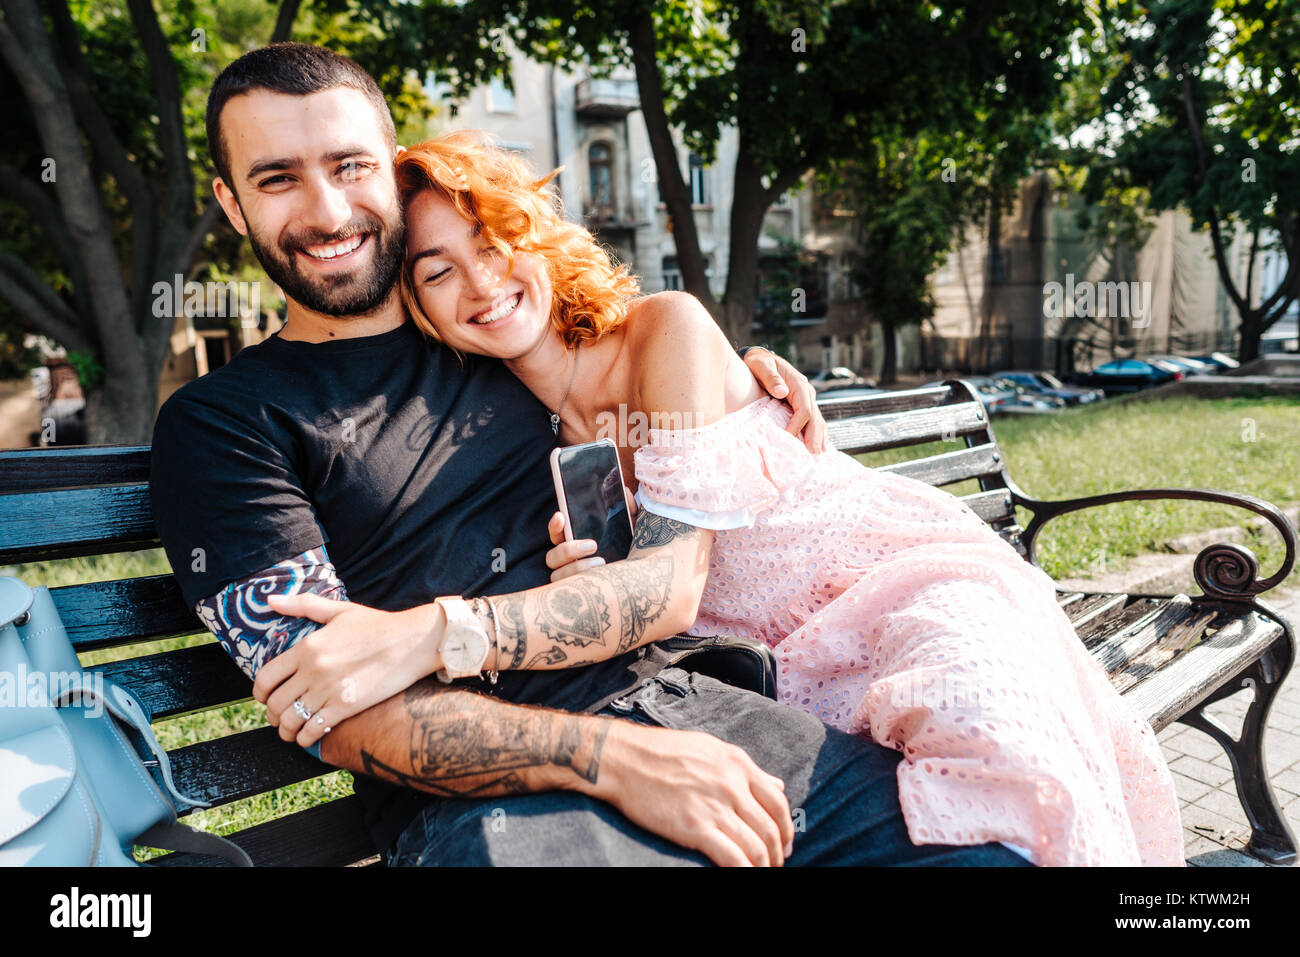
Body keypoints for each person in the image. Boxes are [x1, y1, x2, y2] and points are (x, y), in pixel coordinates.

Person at [150, 42, 1033, 867]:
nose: (328, 210)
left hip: (700, 709)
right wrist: (609, 758)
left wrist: (743, 381)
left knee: (986, 847)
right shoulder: (224, 423)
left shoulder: (488, 336)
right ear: (232, 204)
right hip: (493, 801)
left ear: (389, 165)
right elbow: (333, 709)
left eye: (349, 167)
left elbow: (637, 392)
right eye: (277, 179)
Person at [267, 130, 1186, 866]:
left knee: (988, 738)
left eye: (495, 241)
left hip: (890, 574)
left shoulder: (663, 327)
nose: (481, 281)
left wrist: (446, 627)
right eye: (435, 270)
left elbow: (669, 571)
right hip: (767, 647)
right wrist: (583, 568)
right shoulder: (514, 426)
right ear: (417, 303)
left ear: (537, 239)